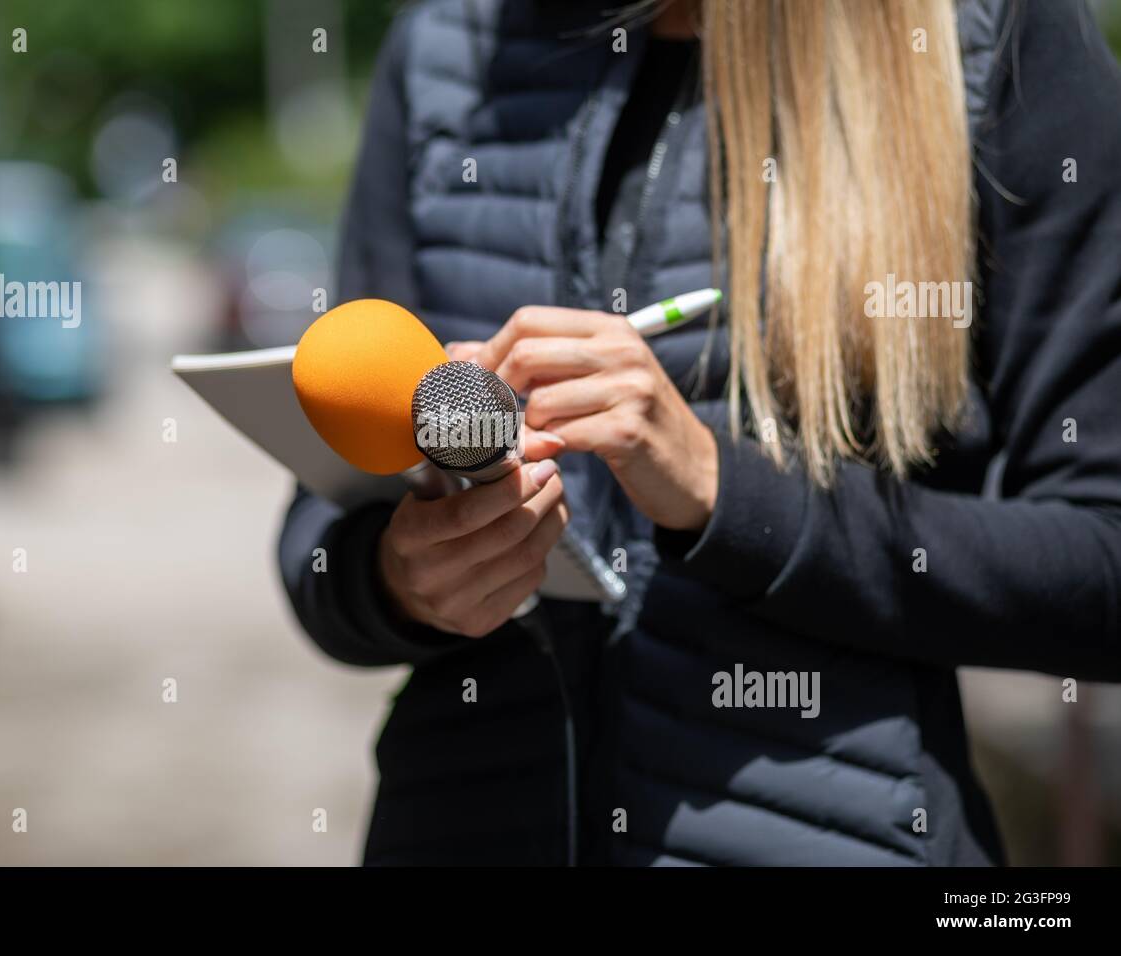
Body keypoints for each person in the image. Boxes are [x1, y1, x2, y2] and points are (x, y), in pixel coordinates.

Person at [279, 0, 1121, 865]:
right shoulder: (446, 43)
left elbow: (1104, 561)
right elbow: (314, 545)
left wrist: (726, 493)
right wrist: (403, 582)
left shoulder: (983, 30)